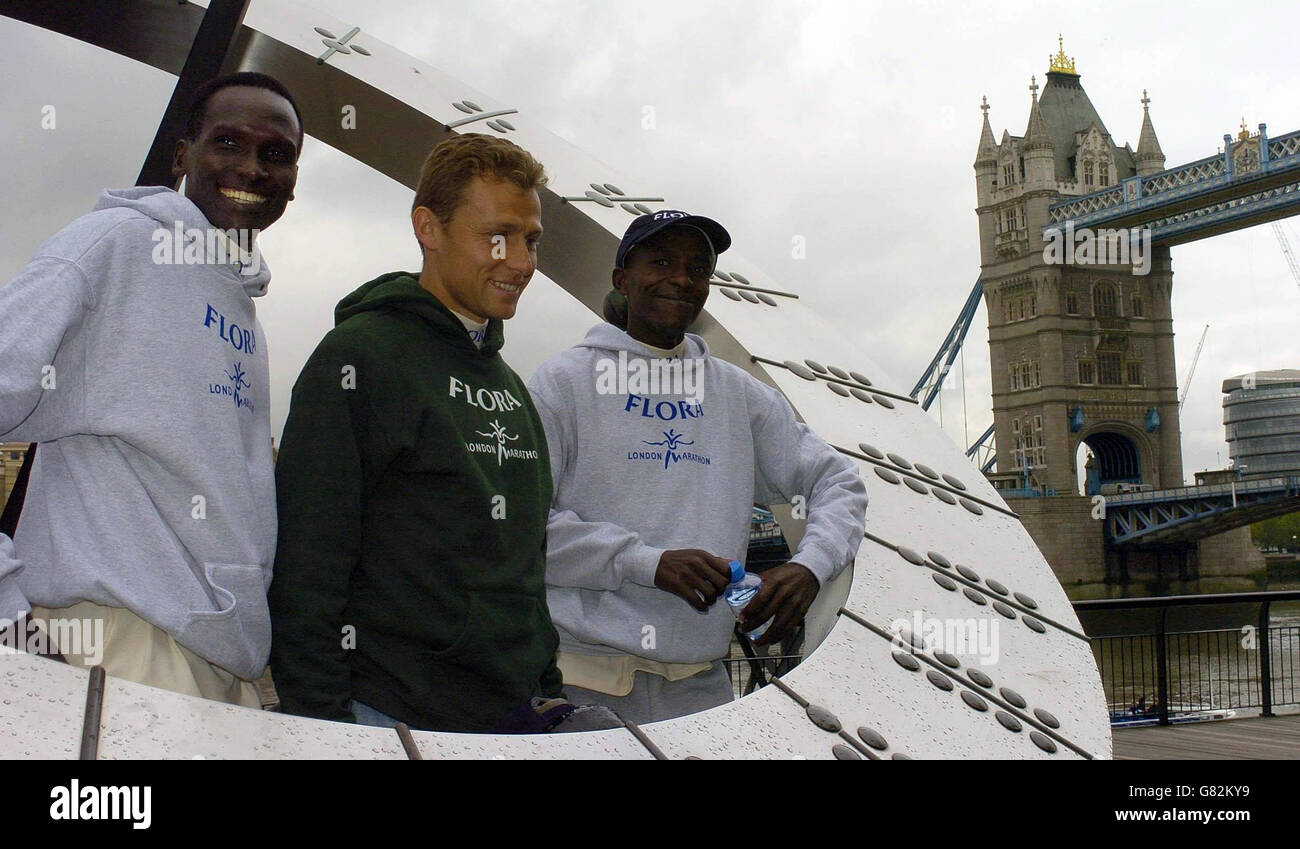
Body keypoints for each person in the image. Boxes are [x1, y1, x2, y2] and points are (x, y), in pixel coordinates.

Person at [0, 72, 303, 706]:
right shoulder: (114, 246)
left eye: (277, 154)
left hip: (220, 663)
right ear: (182, 155)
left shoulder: (240, 304)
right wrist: (9, 616)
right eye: (228, 143)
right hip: (115, 647)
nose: (251, 168)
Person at [269, 134, 567, 733]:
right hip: (388, 717)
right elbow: (307, 564)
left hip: (510, 722)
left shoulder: (511, 388)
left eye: (531, 240)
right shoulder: (360, 358)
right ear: (428, 228)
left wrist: (543, 686)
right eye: (498, 236)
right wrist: (327, 730)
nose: (521, 262)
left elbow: (524, 568)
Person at [527, 210, 869, 724]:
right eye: (661, 261)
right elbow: (520, 530)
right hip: (577, 679)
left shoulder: (737, 395)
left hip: (701, 689)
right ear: (622, 278)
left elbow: (837, 480)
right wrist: (647, 562)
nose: (681, 279)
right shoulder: (561, 385)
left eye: (698, 268)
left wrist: (810, 566)